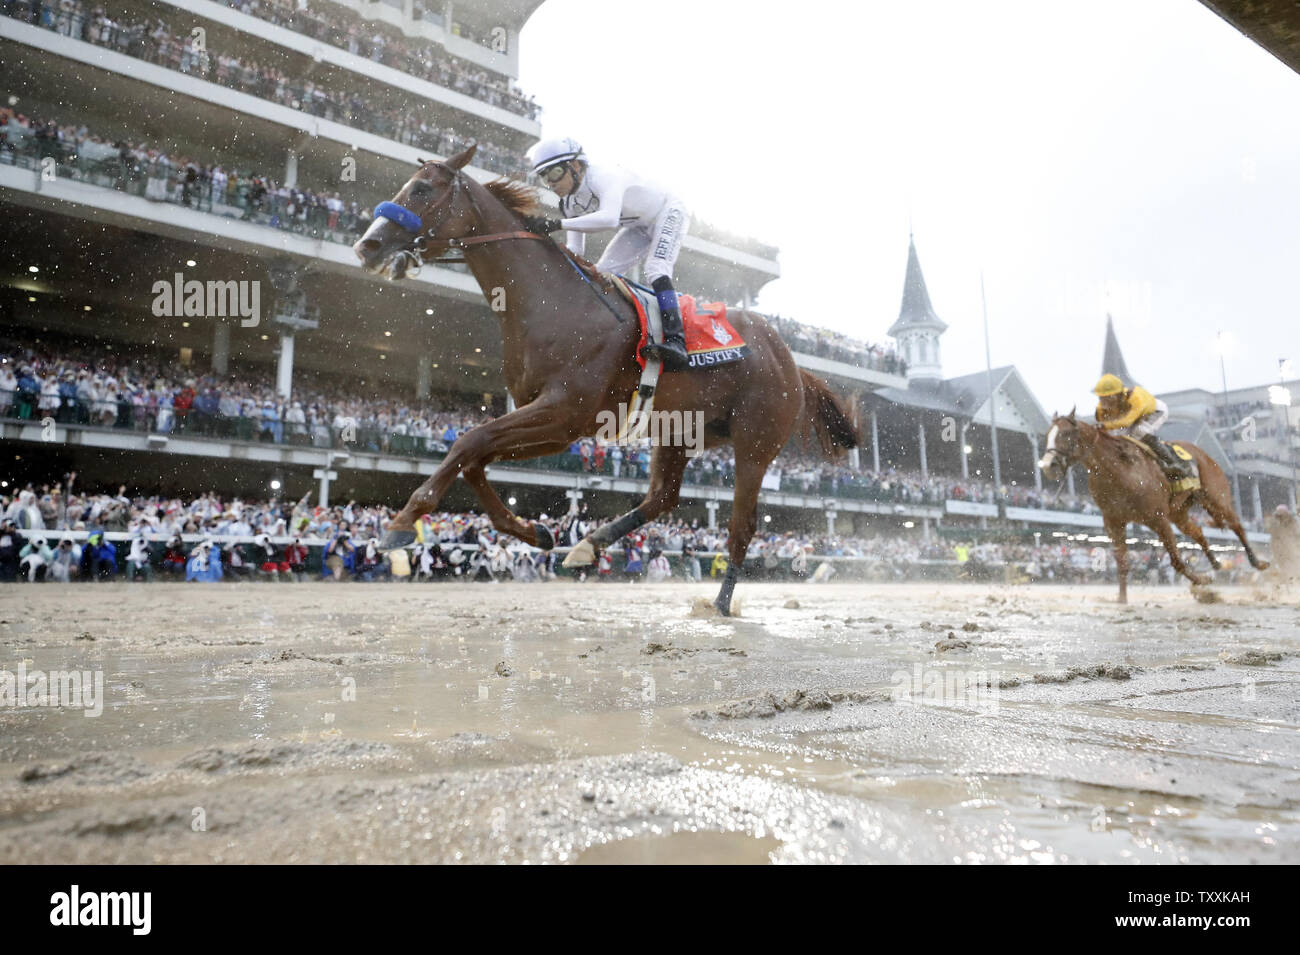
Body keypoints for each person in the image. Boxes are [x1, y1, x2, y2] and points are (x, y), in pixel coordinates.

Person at [523, 137, 691, 371]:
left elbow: (609, 218)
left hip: (668, 210)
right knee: (601, 274)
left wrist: (556, 224)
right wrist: (542, 246)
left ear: (577, 166)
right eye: (545, 176)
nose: (551, 182)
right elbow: (575, 252)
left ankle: (677, 341)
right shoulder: (569, 203)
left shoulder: (603, 176)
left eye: (555, 173)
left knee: (655, 268)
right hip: (637, 226)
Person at [1093, 374, 1191, 480]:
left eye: (1109, 397)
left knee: (1140, 431)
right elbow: (1106, 429)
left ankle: (1172, 462)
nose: (1105, 402)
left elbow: (1127, 422)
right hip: (1135, 417)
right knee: (1120, 436)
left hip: (1155, 412)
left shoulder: (1135, 398)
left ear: (1119, 394)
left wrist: (1105, 425)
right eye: (1102, 398)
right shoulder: (1101, 408)